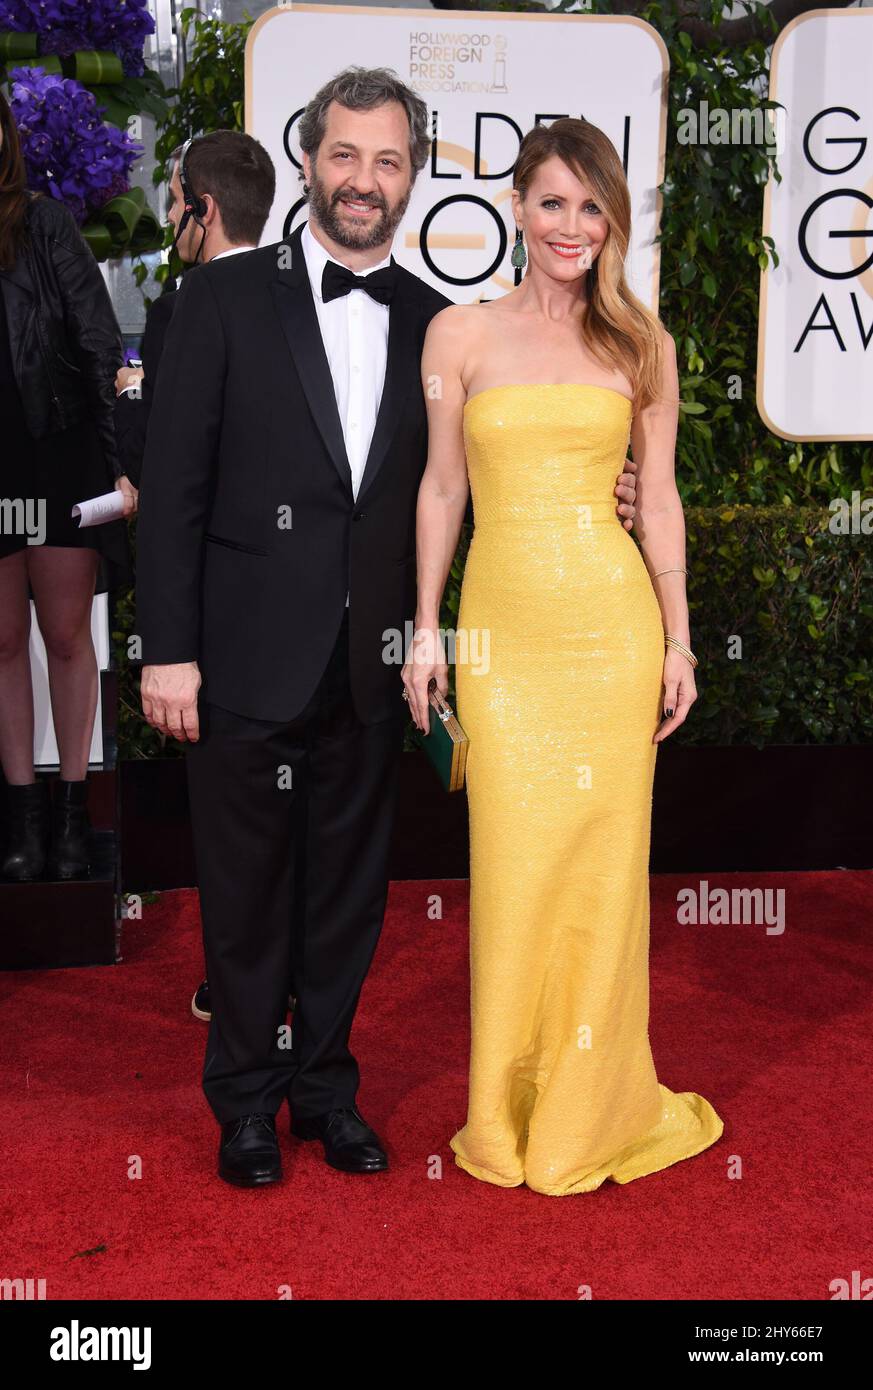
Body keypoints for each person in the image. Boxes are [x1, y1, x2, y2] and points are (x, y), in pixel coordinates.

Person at [135, 69, 638, 1189]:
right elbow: (170, 489)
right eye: (347, 155)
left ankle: (326, 1090)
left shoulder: (436, 323)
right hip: (244, 656)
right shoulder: (219, 301)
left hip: (371, 670)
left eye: (390, 160)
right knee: (246, 894)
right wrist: (166, 648)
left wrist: (612, 496)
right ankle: (248, 1105)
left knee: (349, 897)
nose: (366, 180)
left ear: (415, 177)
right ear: (309, 157)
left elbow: (473, 480)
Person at [404, 116, 724, 1196]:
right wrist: (425, 626)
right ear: (517, 208)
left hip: (610, 631)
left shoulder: (643, 344)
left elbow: (662, 501)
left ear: (613, 221)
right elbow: (442, 488)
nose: (572, 226)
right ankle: (502, 1105)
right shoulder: (460, 337)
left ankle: (589, 1111)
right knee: (511, 865)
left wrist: (679, 639)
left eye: (593, 207)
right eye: (553, 202)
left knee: (601, 874)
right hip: (503, 637)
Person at [113, 129, 276, 1025]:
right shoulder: (300, 302)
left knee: (228, 817)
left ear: (201, 211)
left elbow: (167, 471)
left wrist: (131, 393)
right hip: (289, 605)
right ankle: (284, 981)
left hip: (213, 598)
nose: (174, 215)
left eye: (176, 200)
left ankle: (237, 984)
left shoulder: (186, 307)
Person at [0, 89, 133, 882]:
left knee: (64, 637)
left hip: (57, 454)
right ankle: (20, 820)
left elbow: (95, 340)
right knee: (4, 644)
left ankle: (74, 814)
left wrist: (119, 461)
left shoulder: (44, 222)